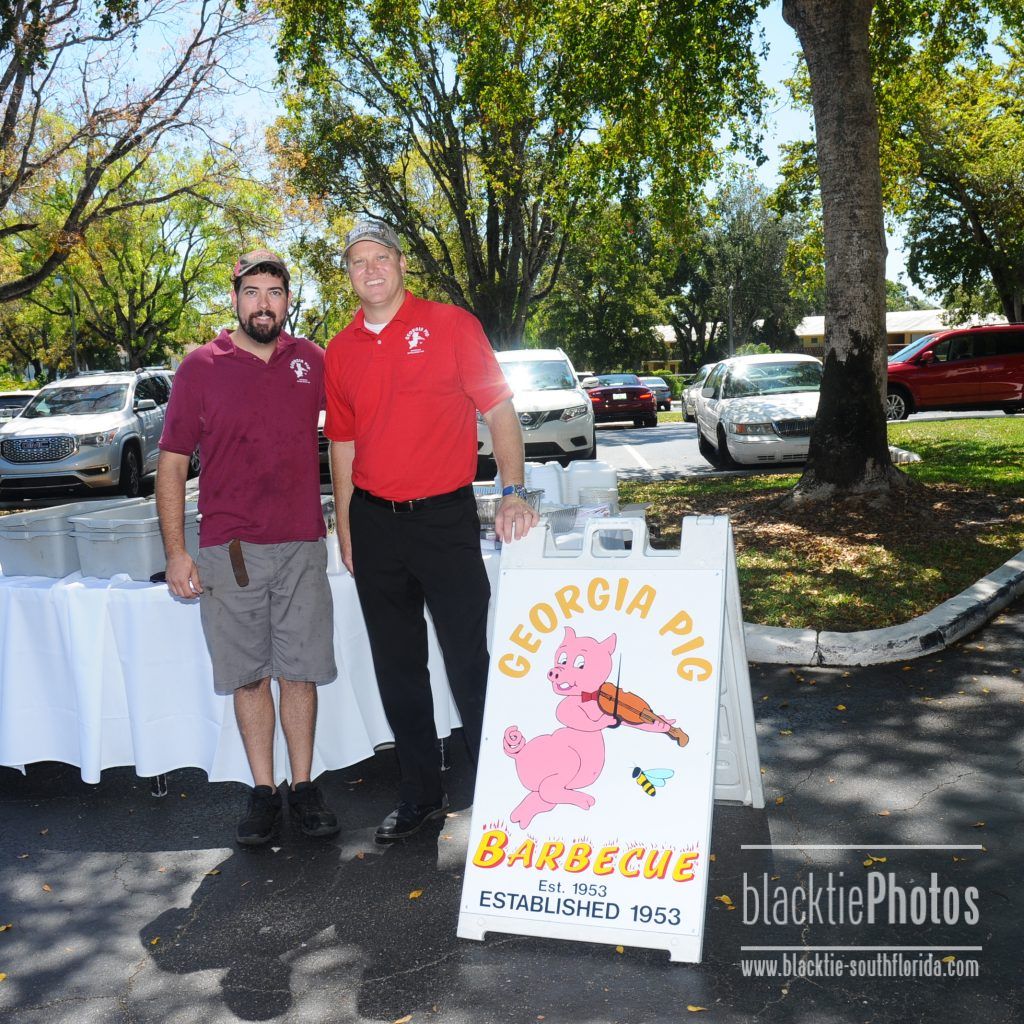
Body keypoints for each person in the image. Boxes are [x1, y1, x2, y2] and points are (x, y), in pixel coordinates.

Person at [324, 220, 539, 843]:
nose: (370, 269)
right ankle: (421, 795)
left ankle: (503, 789)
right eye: (358, 261)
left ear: (401, 265)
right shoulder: (340, 349)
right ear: (348, 275)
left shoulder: (450, 324)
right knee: (398, 668)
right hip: (374, 522)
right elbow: (342, 441)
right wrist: (344, 523)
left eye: (380, 257)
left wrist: (514, 490)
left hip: (444, 518)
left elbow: (499, 410)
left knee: (469, 662)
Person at [156, 249, 340, 847]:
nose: (264, 303)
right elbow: (172, 461)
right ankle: (263, 793)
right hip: (228, 551)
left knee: (302, 674)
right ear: (234, 298)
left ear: (289, 300)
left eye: (275, 292)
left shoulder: (312, 361)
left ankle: (305, 788)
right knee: (249, 678)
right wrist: (177, 552)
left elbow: (351, 435)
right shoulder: (200, 367)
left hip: (302, 547)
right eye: (253, 291)